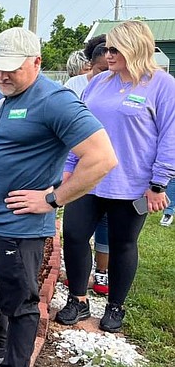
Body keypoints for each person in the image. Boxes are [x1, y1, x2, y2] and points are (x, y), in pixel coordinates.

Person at [0, 27, 116, 367]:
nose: (1, 76)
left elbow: (102, 158)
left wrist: (51, 199)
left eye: (11, 69)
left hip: (17, 228)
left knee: (20, 302)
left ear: (37, 63)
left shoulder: (56, 102)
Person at [57, 20, 175, 333]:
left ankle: (115, 306)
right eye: (107, 49)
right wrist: (69, 167)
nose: (107, 55)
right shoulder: (98, 83)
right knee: (74, 234)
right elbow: (80, 128)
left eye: (115, 49)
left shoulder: (162, 85)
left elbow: (170, 136)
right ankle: (78, 300)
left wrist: (159, 183)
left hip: (132, 183)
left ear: (136, 48)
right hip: (88, 179)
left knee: (123, 244)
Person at [63, 42, 111, 294]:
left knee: (106, 224)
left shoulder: (122, 84)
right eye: (102, 67)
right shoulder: (76, 87)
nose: (106, 72)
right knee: (76, 229)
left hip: (111, 168)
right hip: (80, 165)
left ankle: (102, 274)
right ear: (90, 65)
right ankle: (78, 281)